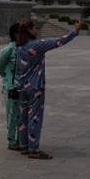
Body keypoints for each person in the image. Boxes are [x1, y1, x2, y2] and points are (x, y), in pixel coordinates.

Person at [15, 18, 82, 159]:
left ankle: (24, 146)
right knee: (34, 117)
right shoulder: (37, 45)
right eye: (34, 28)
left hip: (22, 87)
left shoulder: (19, 47)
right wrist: (75, 31)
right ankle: (34, 150)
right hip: (35, 87)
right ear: (29, 30)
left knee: (23, 117)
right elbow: (59, 41)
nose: (36, 30)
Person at [0, 23, 21, 150]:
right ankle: (11, 140)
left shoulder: (23, 48)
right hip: (11, 88)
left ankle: (21, 139)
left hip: (22, 87)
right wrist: (6, 78)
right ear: (16, 34)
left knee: (21, 114)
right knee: (12, 115)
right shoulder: (9, 49)